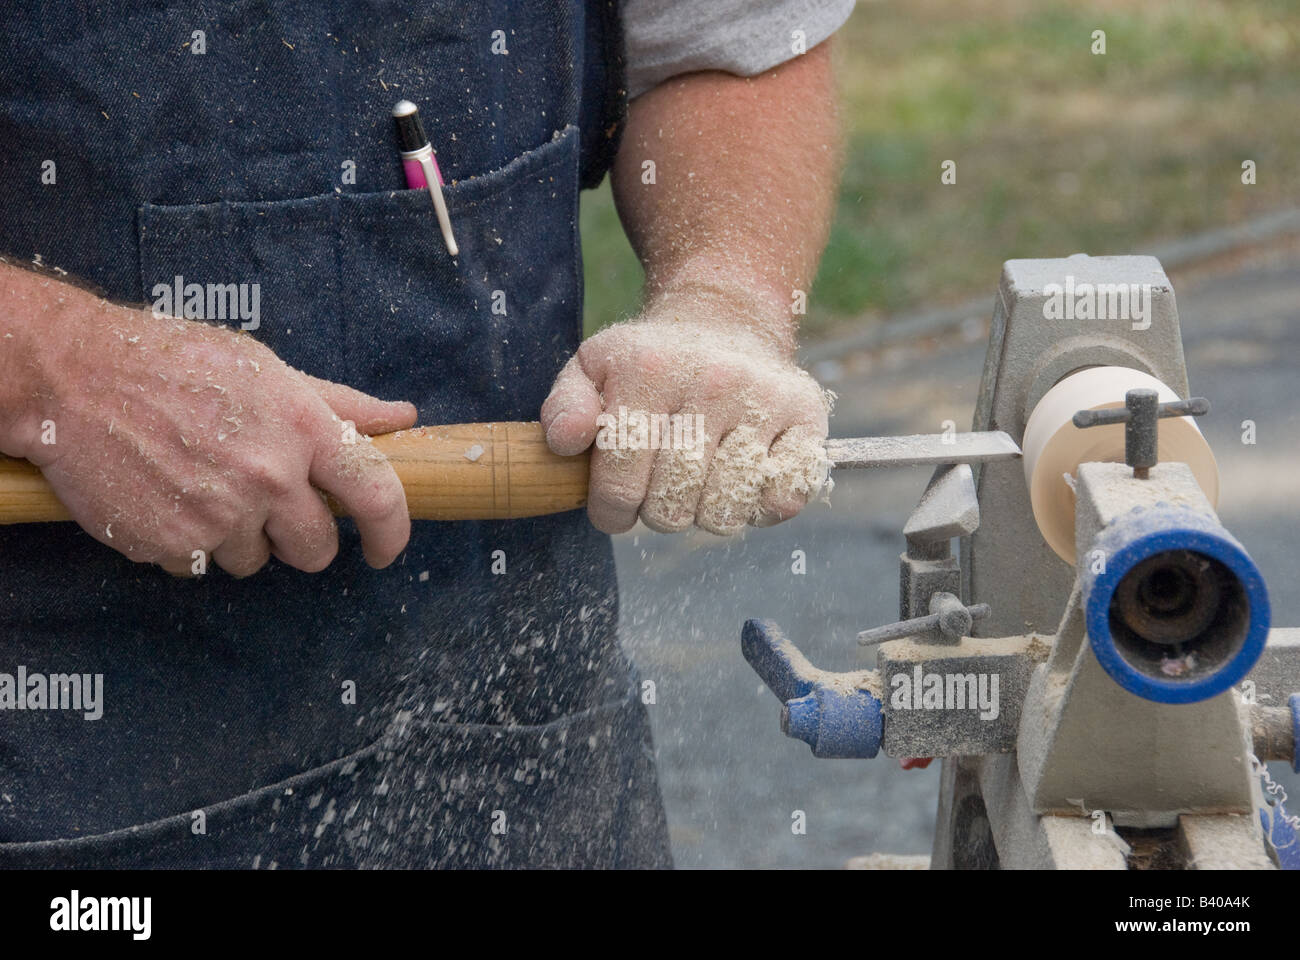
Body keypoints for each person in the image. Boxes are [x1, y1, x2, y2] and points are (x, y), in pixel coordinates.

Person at [0, 0, 851, 868]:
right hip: (68, 764)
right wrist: (53, 368)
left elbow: (732, 46)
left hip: (525, 726)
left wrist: (725, 302)